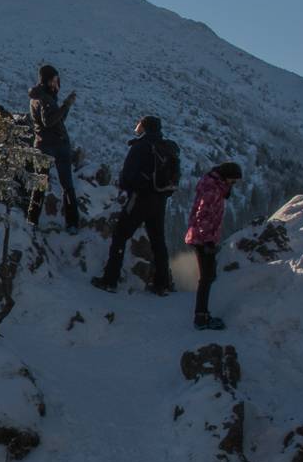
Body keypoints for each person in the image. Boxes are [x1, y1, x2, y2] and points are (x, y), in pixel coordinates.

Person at [92, 114, 179, 294]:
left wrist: (129, 188)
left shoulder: (140, 147)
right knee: (158, 241)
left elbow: (127, 177)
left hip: (140, 198)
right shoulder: (167, 147)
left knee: (120, 236)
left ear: (144, 128)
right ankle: (162, 284)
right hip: (160, 200)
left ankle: (110, 279)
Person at [183, 160, 244, 330]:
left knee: (208, 276)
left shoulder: (215, 186)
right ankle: (201, 317)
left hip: (202, 236)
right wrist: (208, 239)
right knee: (206, 277)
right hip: (203, 238)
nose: (233, 184)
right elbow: (202, 216)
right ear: (226, 178)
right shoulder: (212, 190)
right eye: (233, 181)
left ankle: (202, 314)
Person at [27, 65, 83, 232]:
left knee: (40, 184)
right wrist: (66, 104)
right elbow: (49, 121)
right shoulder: (44, 98)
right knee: (66, 185)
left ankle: (32, 219)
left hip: (44, 144)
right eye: (55, 79)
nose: (57, 82)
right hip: (54, 146)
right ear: (49, 79)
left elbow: (57, 120)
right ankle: (72, 223)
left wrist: (65, 106)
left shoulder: (42, 96)